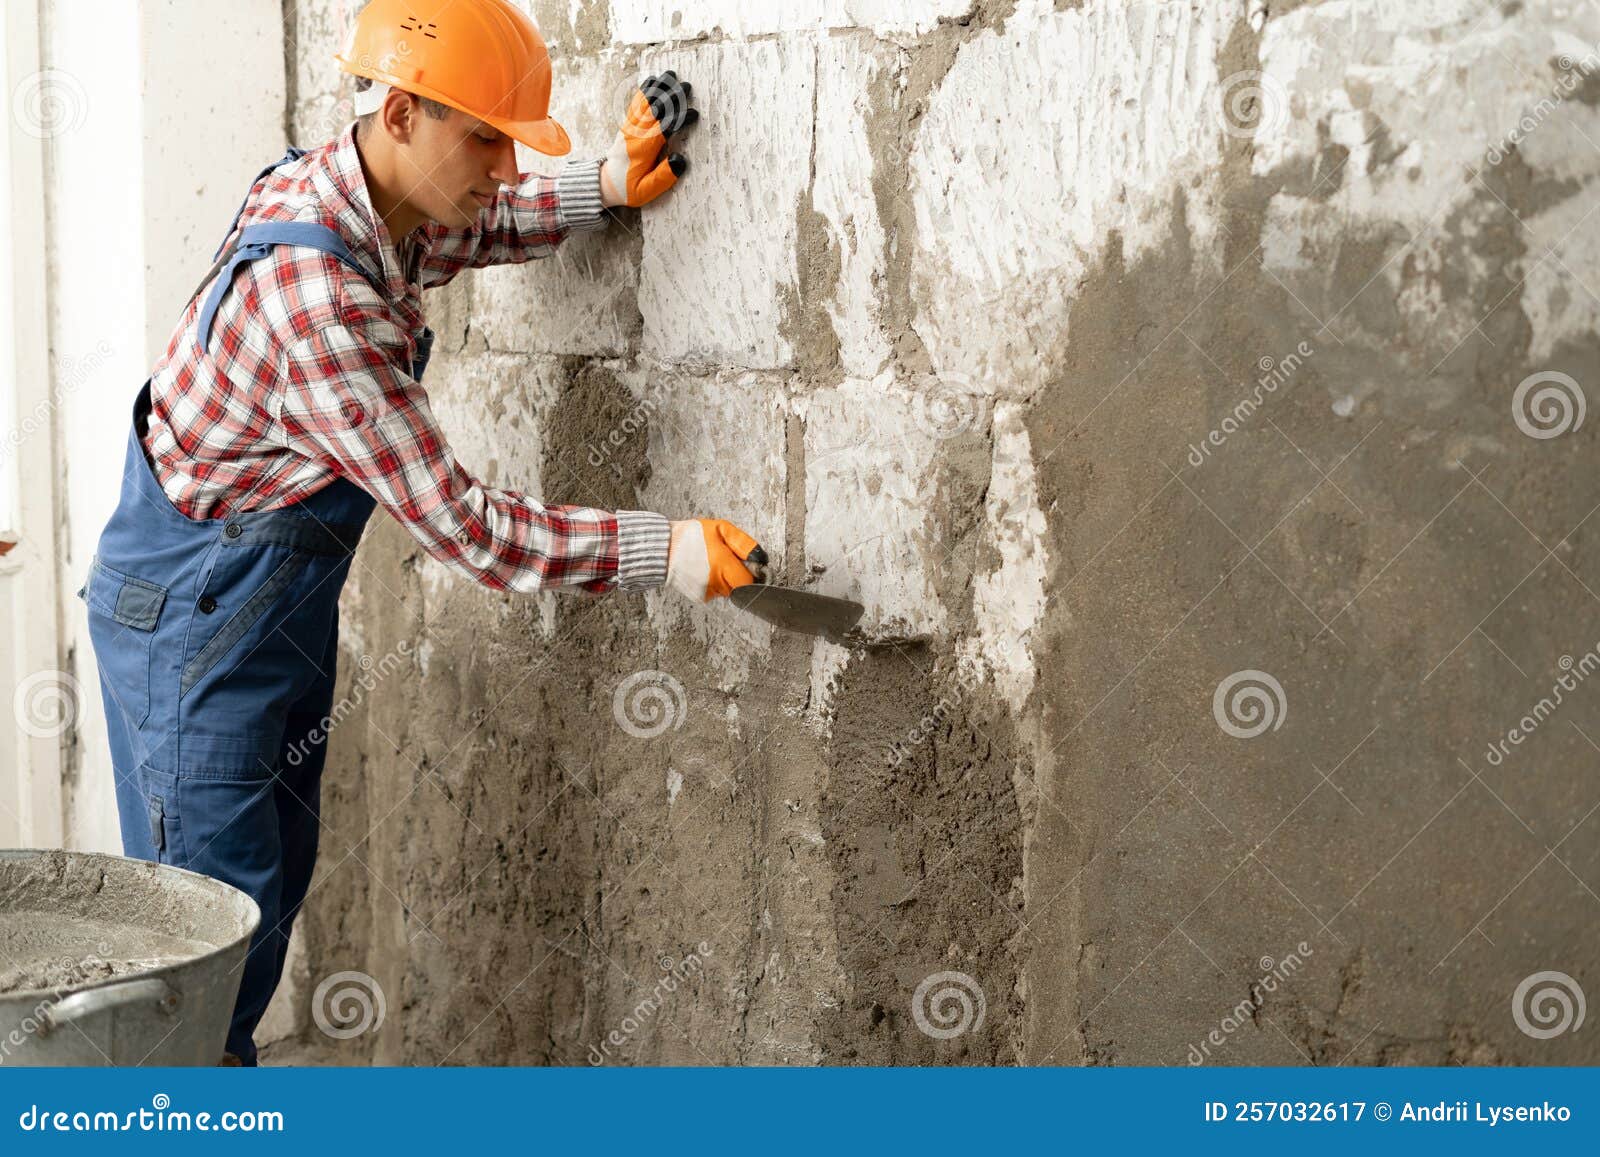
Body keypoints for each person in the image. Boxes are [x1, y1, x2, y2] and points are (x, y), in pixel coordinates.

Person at [76, 0, 765, 1066]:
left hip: (255, 614)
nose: (505, 166)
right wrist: (666, 550)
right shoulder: (319, 306)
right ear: (402, 113)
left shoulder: (354, 193)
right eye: (486, 138)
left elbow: (466, 224)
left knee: (260, 900)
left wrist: (604, 185)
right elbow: (474, 532)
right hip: (190, 629)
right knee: (201, 960)